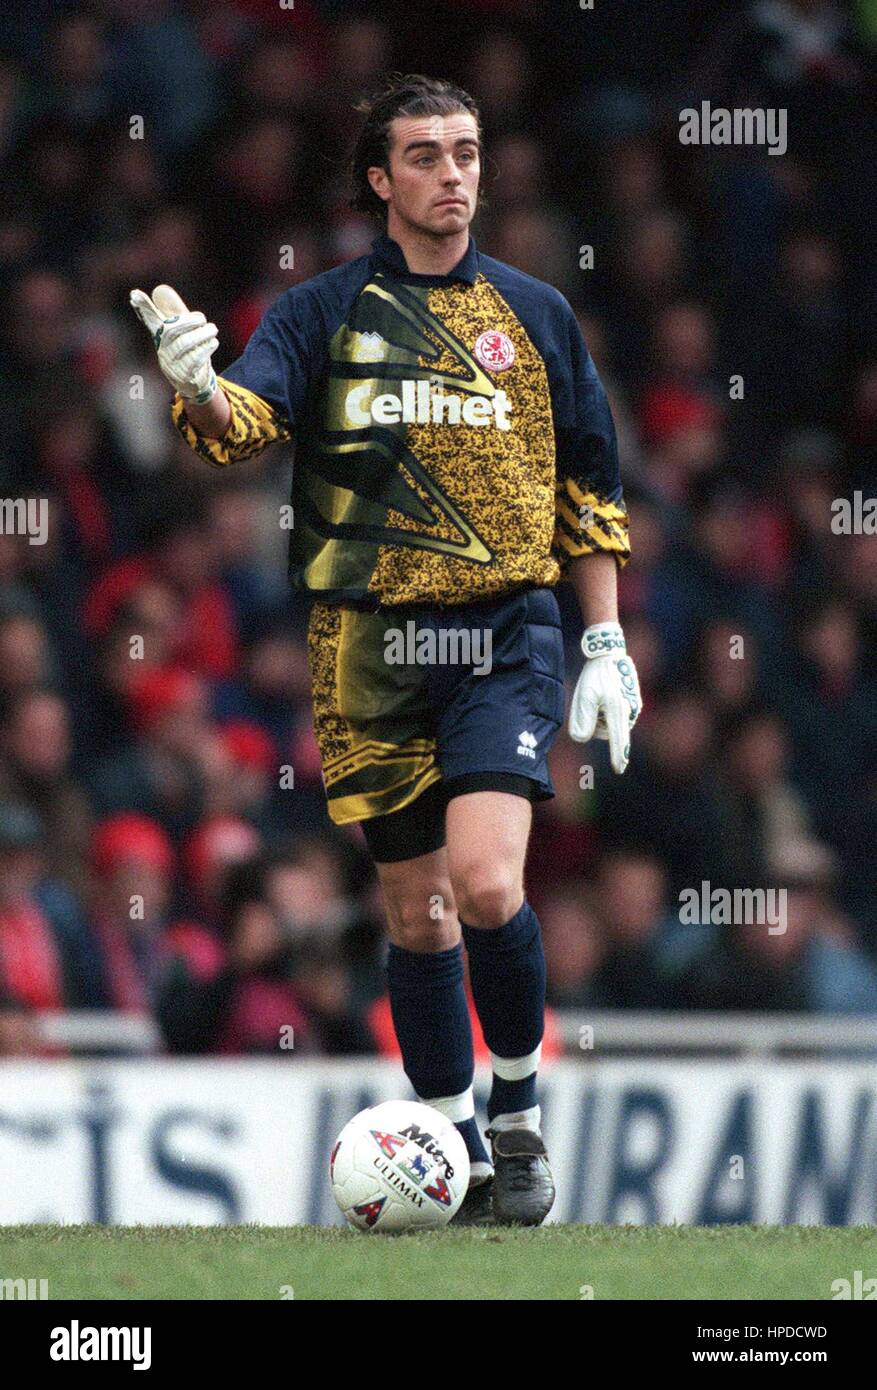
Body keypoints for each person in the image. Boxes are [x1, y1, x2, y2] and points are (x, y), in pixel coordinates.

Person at [131, 74, 641, 1226]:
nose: (452, 173)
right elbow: (240, 433)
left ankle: (515, 1117)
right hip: (365, 646)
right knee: (416, 915)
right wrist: (199, 387)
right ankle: (449, 1146)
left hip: (504, 631)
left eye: (465, 152)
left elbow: (589, 492)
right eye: (424, 155)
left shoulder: (537, 315)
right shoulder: (319, 314)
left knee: (489, 881)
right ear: (380, 179)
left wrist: (603, 635)